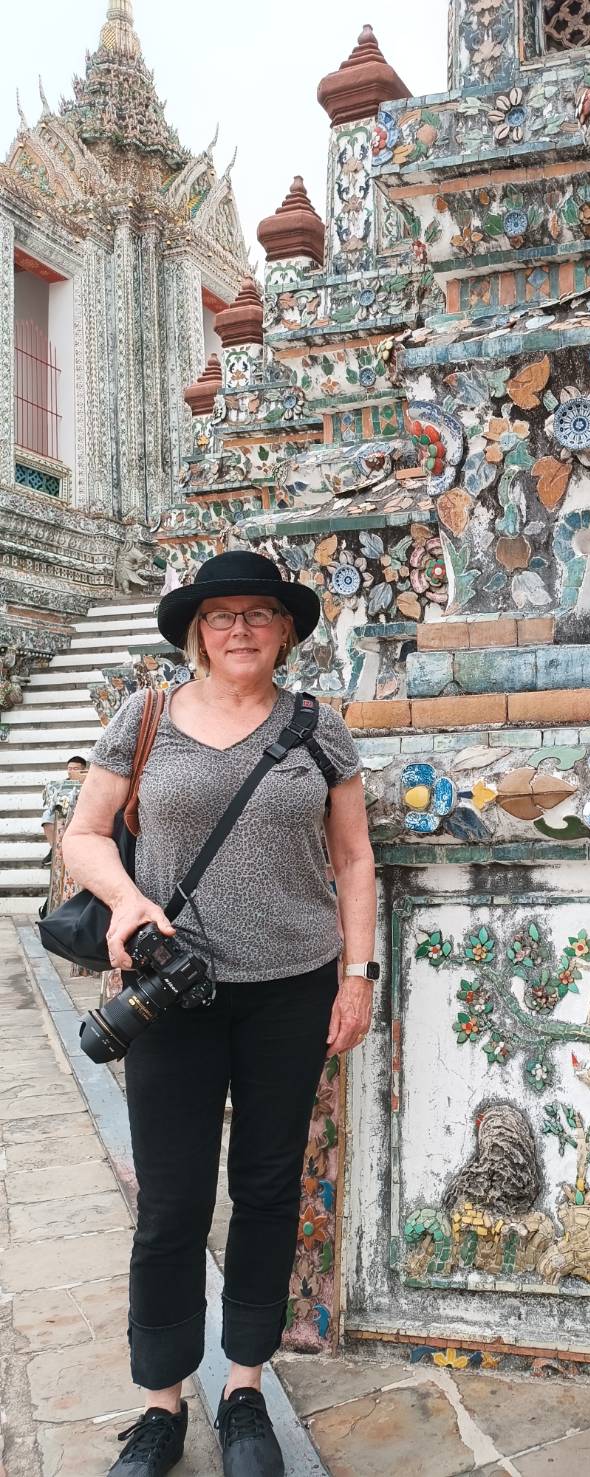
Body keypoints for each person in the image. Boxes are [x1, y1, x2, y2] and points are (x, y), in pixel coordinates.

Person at [63, 551, 377, 1477]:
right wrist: (126, 900)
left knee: (271, 1186)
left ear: (284, 630)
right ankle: (162, 1403)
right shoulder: (148, 717)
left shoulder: (320, 729)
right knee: (170, 1201)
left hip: (292, 989)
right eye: (221, 615)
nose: (240, 628)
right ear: (196, 630)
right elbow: (84, 834)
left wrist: (357, 974)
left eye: (259, 614)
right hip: (170, 997)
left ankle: (244, 1387)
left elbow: (354, 858)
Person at [41, 755, 88, 865]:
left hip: (84, 811)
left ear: (83, 770)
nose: (71, 771)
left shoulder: (90, 783)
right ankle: (54, 849)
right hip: (64, 810)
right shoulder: (62, 784)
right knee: (47, 815)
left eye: (75, 769)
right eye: (69, 768)